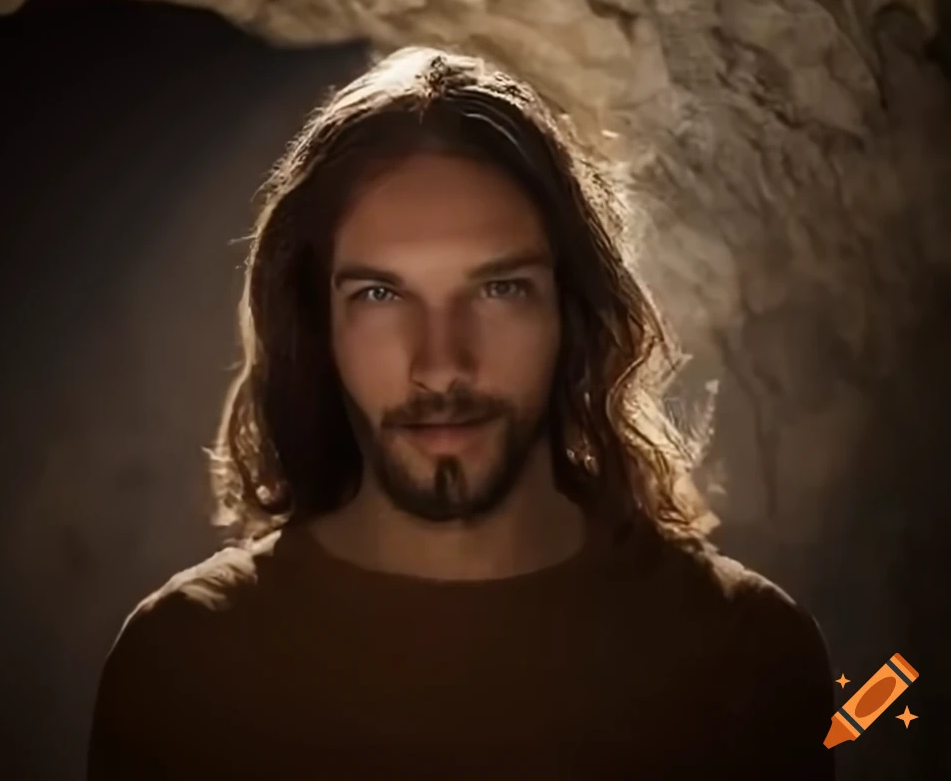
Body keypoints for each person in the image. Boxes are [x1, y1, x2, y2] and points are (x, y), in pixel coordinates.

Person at [86, 47, 836, 779]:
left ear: (570, 311)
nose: (441, 362)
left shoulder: (743, 655)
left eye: (497, 290)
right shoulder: (189, 667)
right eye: (380, 296)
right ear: (318, 326)